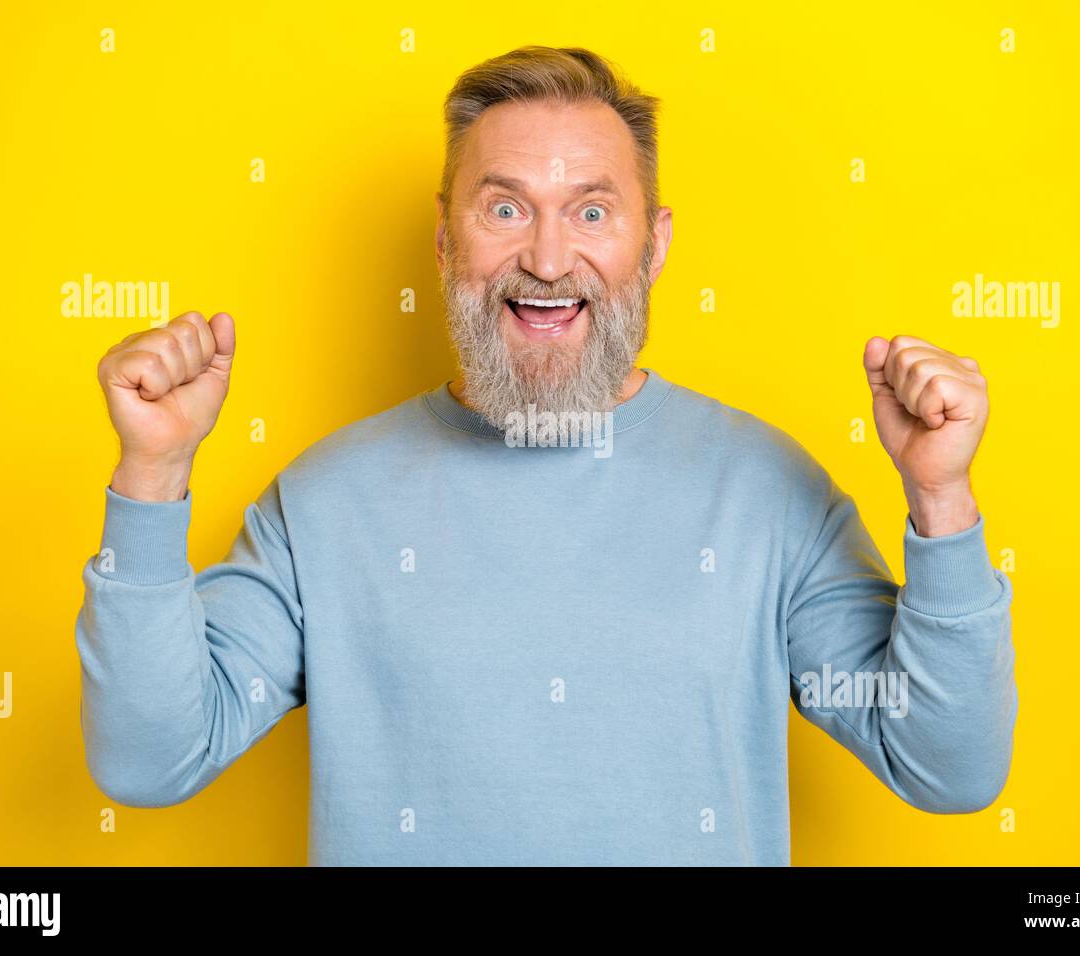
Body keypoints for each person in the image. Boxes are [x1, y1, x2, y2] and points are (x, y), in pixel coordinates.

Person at [76, 45, 1016, 866]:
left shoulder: (769, 492)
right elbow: (149, 759)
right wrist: (152, 477)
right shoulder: (321, 504)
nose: (551, 259)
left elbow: (948, 765)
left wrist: (941, 500)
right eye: (505, 210)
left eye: (594, 213)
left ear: (655, 246)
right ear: (446, 240)